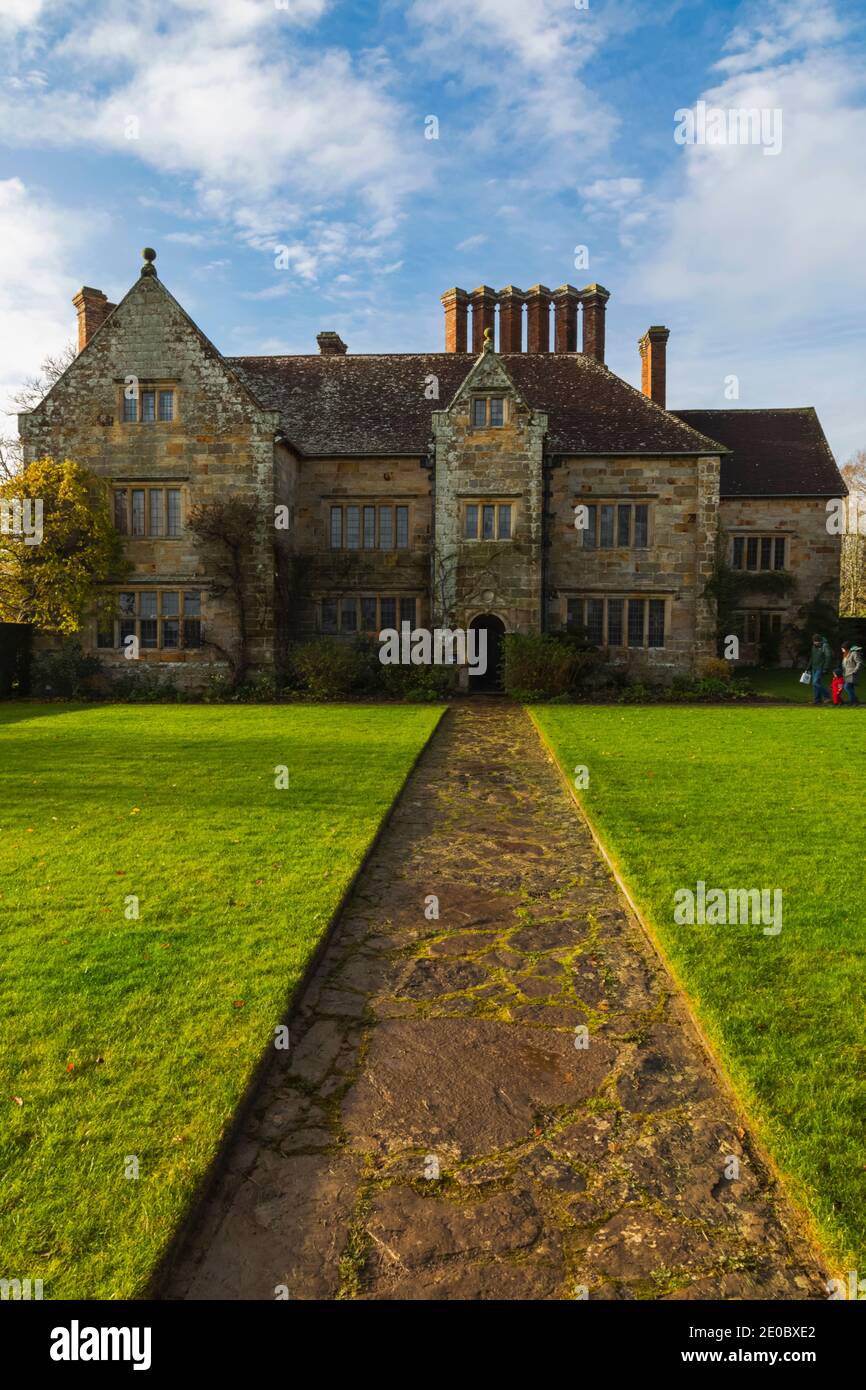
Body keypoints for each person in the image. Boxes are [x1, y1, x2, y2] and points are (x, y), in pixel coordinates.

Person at [809, 633, 832, 705]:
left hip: (820, 667)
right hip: (814, 667)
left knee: (815, 682)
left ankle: (827, 695)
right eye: (814, 641)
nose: (815, 643)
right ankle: (817, 700)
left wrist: (825, 668)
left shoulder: (825, 646)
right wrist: (808, 667)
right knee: (815, 684)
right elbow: (812, 657)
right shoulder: (813, 646)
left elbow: (828, 657)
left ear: (820, 641)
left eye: (816, 641)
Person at [841, 642, 863, 706]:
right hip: (847, 674)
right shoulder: (845, 654)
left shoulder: (854, 653)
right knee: (850, 688)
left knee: (846, 687)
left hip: (852, 673)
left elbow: (859, 662)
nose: (842, 650)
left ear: (846, 648)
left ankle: (854, 701)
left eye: (843, 648)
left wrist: (855, 670)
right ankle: (854, 701)